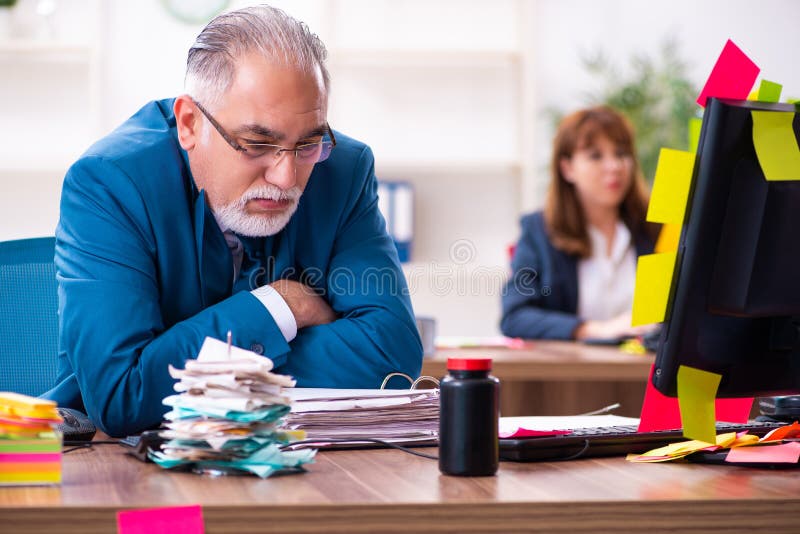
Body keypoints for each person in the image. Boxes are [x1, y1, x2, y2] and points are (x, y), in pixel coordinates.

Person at [43, 5, 423, 437]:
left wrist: (180, 367)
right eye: (257, 144)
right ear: (189, 124)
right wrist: (281, 307)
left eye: (308, 144)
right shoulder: (109, 182)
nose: (286, 178)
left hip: (292, 451)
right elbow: (124, 394)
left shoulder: (344, 170)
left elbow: (391, 356)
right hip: (122, 459)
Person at [500, 106, 659, 341]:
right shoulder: (538, 231)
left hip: (645, 363)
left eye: (621, 153)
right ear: (567, 168)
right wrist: (595, 329)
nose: (615, 166)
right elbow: (515, 316)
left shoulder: (656, 228)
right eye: (596, 156)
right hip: (574, 364)